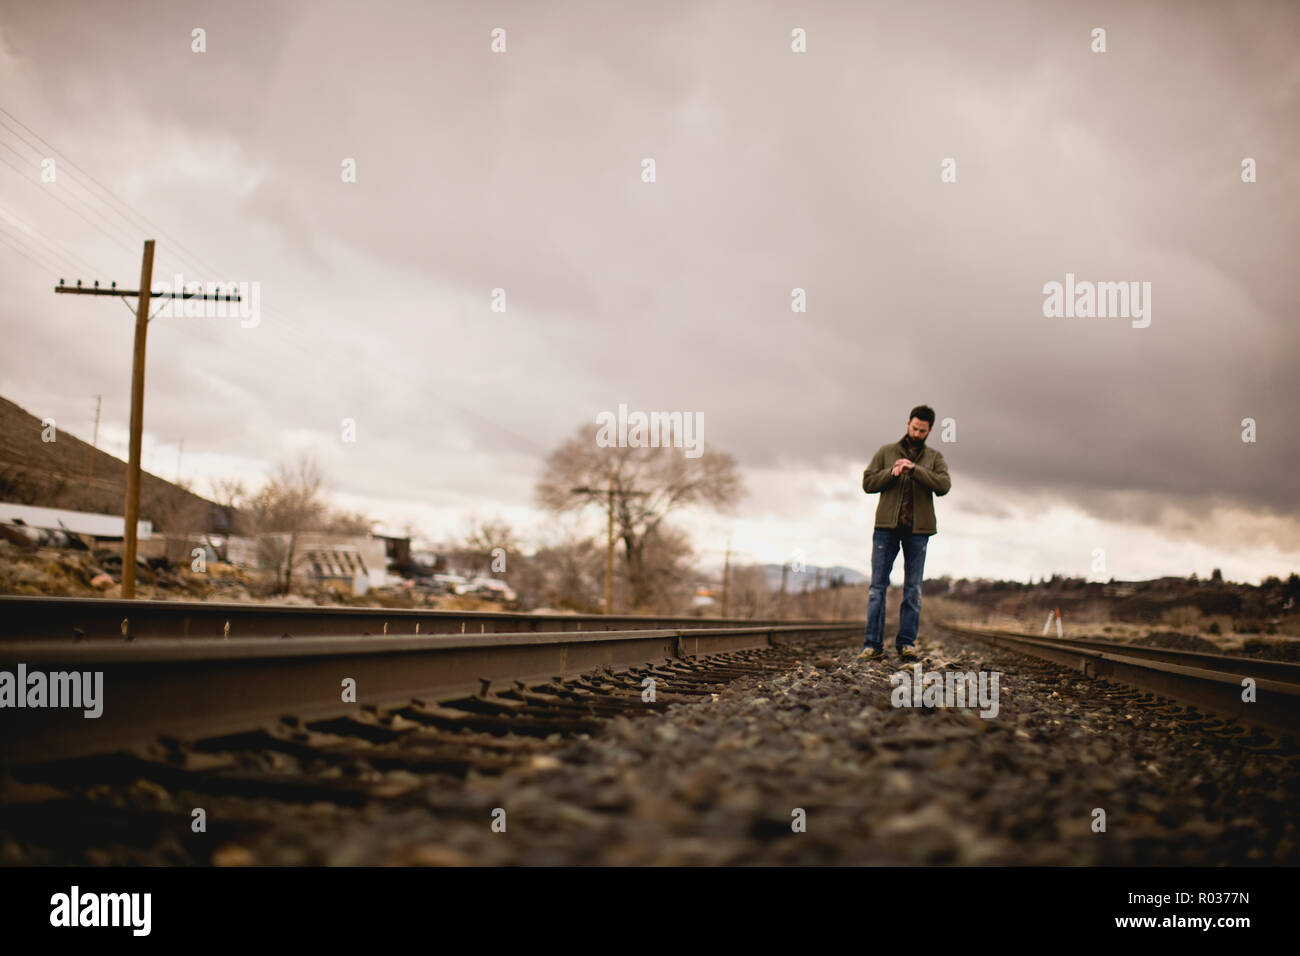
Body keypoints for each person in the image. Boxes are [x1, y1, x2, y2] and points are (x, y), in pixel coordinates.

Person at [857, 405, 951, 662]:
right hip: (886, 529)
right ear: (908, 423)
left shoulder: (934, 457)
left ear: (929, 431)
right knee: (878, 588)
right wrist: (892, 472)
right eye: (914, 428)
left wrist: (915, 470)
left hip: (918, 532)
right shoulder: (886, 452)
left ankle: (906, 643)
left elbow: (944, 486)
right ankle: (872, 645)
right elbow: (867, 483)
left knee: (913, 589)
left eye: (923, 430)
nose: (917, 433)